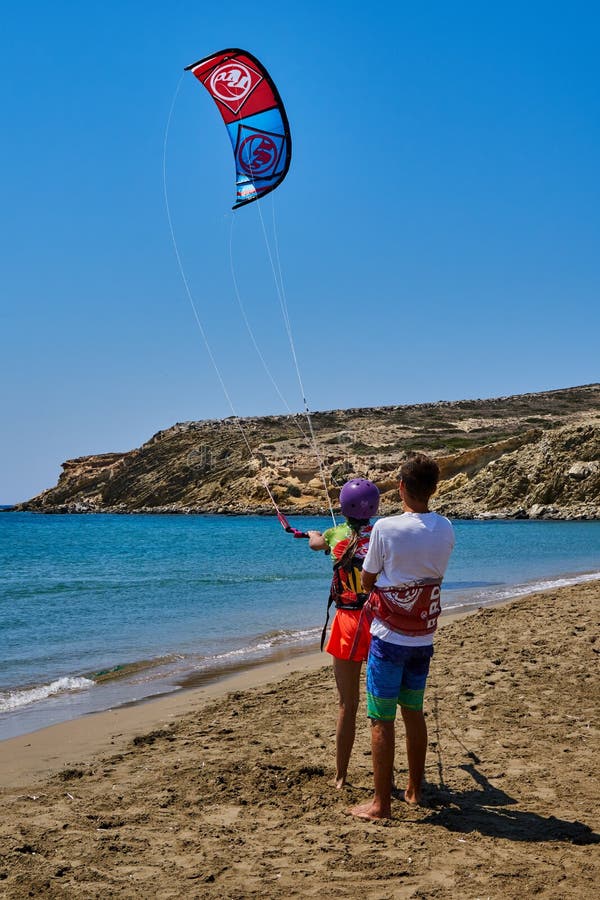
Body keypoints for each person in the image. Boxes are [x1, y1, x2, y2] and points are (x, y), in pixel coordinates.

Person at [349, 453, 455, 820]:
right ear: (435, 489)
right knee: (413, 711)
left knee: (381, 718)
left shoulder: (385, 528)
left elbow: (368, 578)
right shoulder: (446, 528)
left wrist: (374, 582)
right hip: (423, 638)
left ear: (401, 488)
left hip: (389, 639)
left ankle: (380, 804)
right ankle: (413, 789)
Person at [307, 478, 380, 789]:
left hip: (348, 624)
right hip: (378, 622)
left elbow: (316, 544)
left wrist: (313, 535)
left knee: (346, 705)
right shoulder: (380, 534)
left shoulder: (334, 534)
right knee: (382, 704)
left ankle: (341, 777)